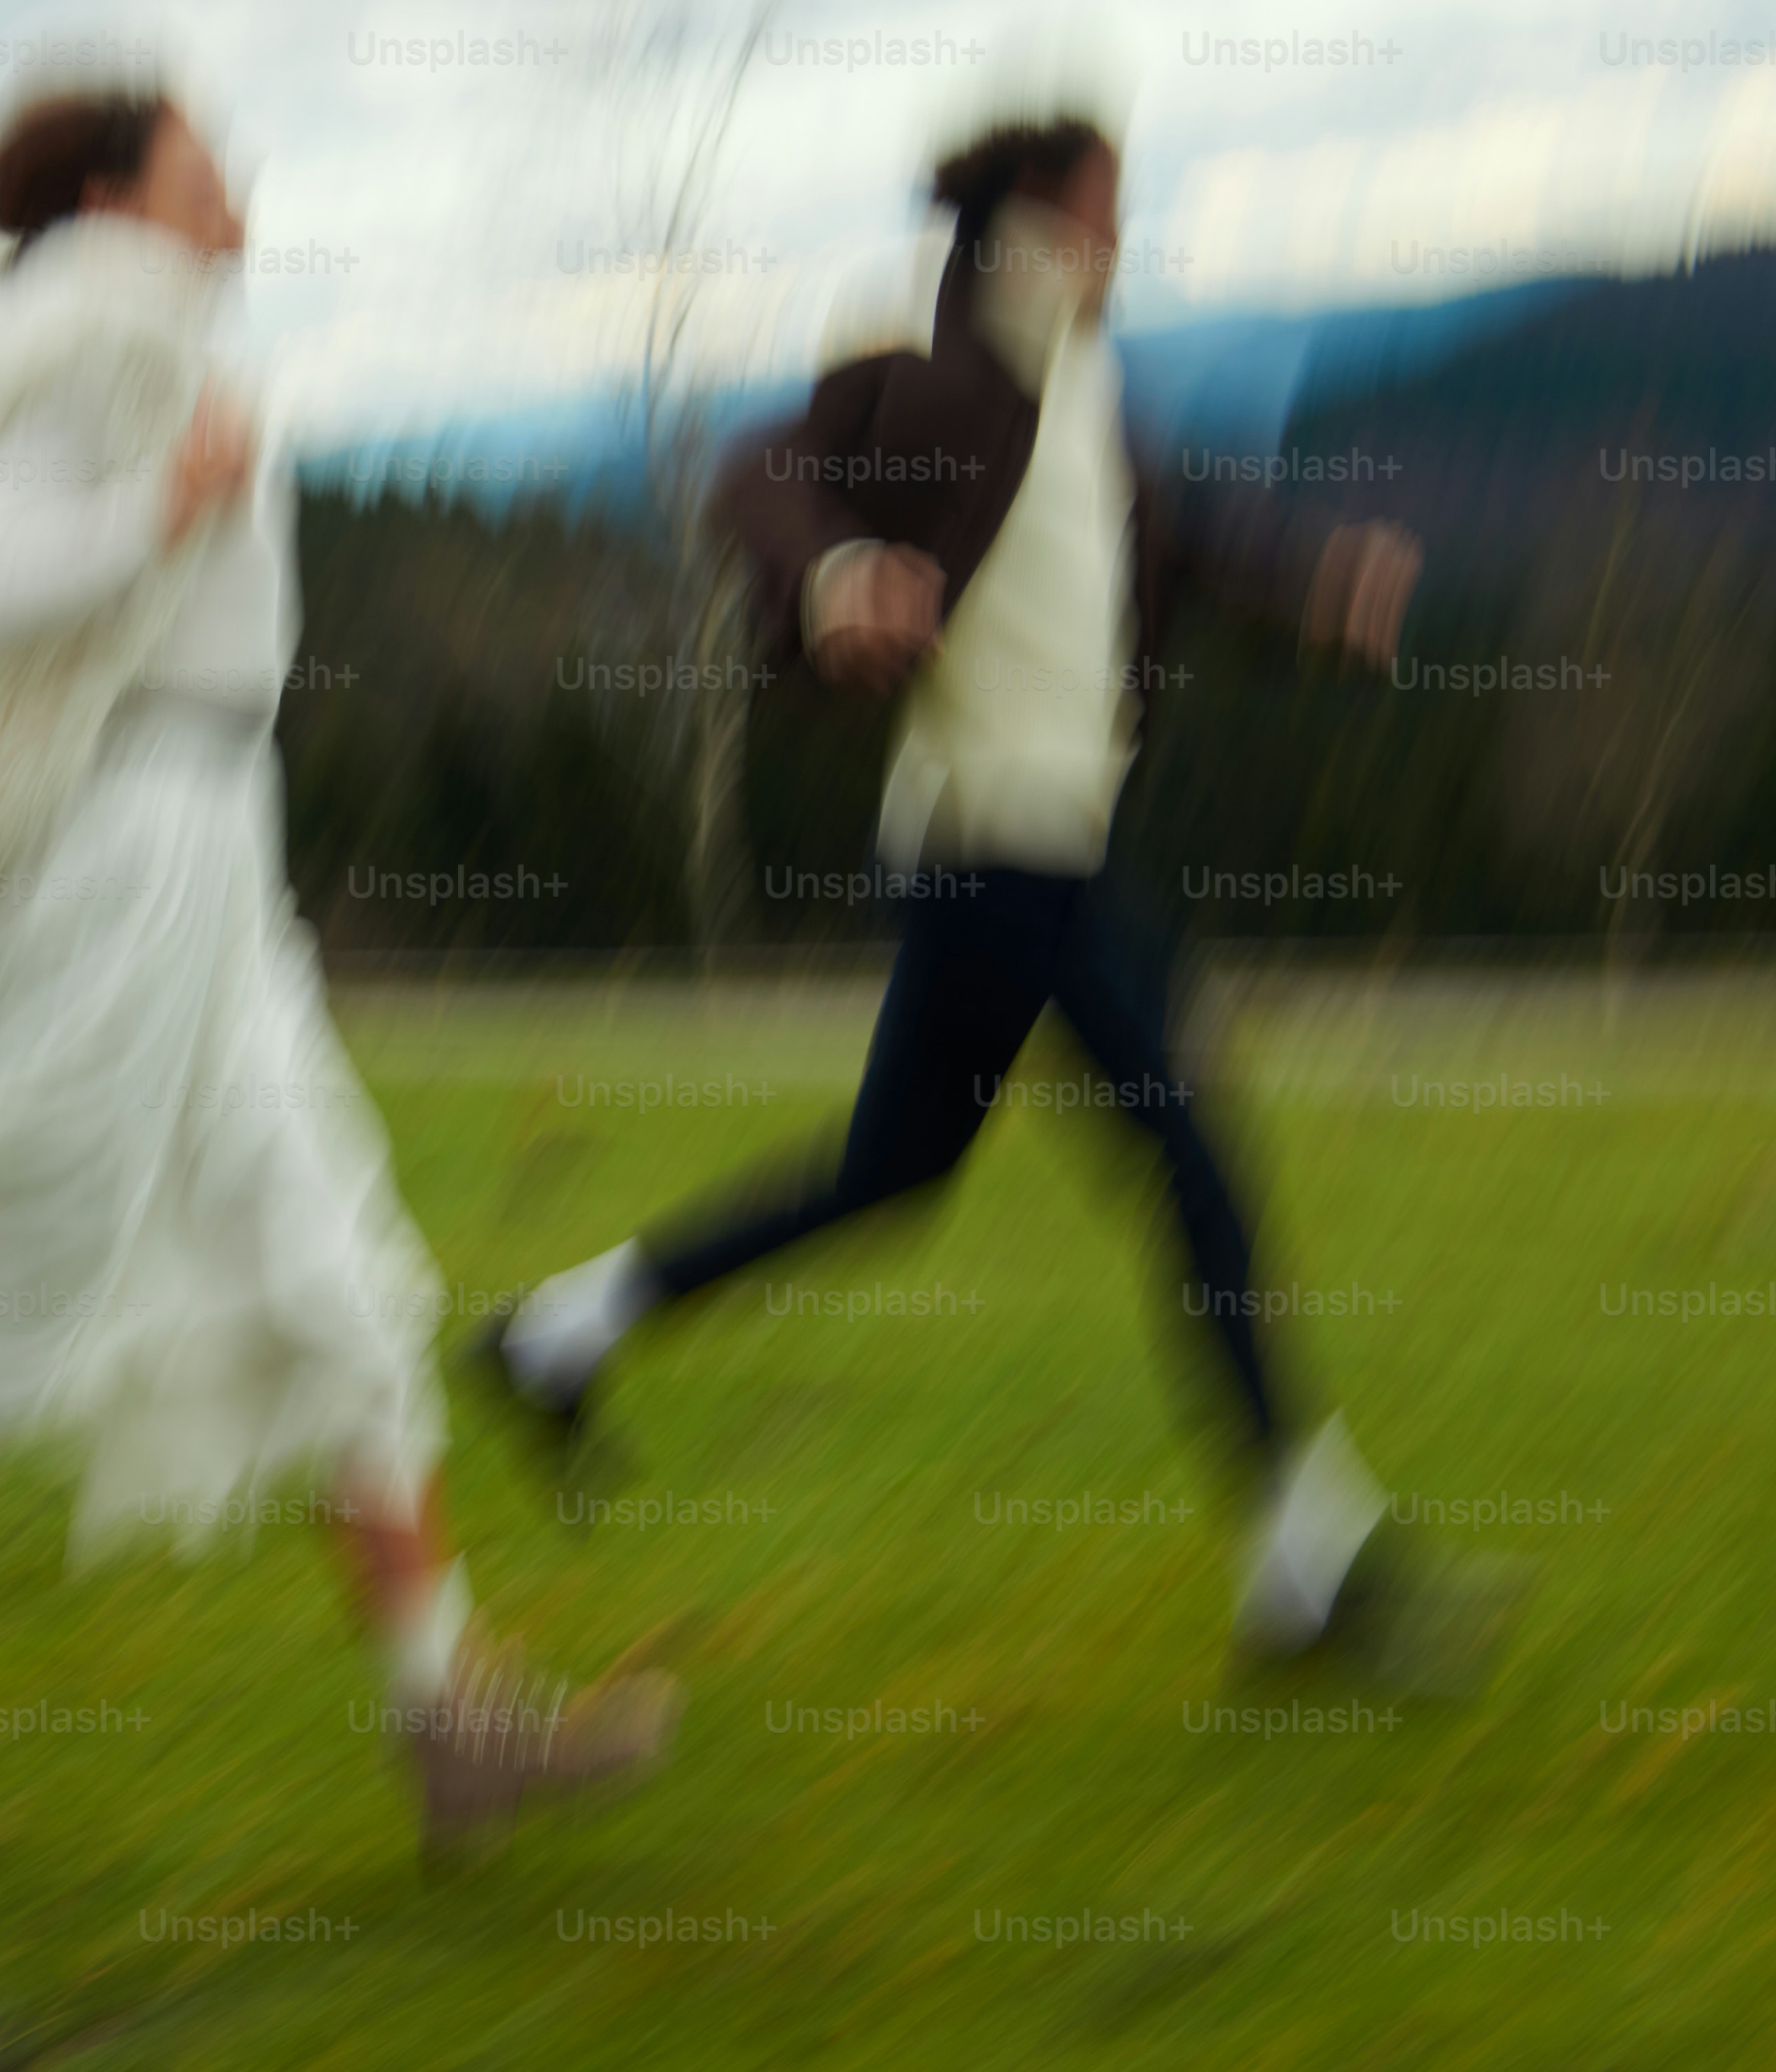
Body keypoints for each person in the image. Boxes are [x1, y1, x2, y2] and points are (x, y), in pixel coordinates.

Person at [0, 85, 679, 1865]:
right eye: (200, 151)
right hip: (119, 858)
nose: (236, 174)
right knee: (4, 1278)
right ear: (112, 190)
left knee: (331, 1273)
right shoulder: (82, 332)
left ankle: (451, 1715)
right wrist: (165, 509)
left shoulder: (130, 324)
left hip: (203, 850)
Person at [481, 113, 1423, 1670]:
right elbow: (760, 467)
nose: (1128, 239)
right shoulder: (949, 381)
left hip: (1051, 841)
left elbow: (1162, 539)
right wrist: (844, 573)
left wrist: (1316, 586)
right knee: (1196, 1157)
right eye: (1108, 210)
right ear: (1041, 225)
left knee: (894, 1168)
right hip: (994, 846)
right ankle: (1300, 1562)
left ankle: (562, 1326)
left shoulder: (1087, 385)